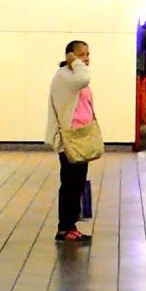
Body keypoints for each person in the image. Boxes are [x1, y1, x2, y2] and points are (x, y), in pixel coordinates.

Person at [46, 40, 94, 243]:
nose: (86, 59)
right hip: (69, 139)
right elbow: (85, 77)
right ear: (70, 57)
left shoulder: (72, 76)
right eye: (81, 55)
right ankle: (64, 228)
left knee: (76, 182)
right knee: (70, 184)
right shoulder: (66, 76)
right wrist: (75, 62)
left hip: (79, 138)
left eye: (88, 54)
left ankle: (71, 225)